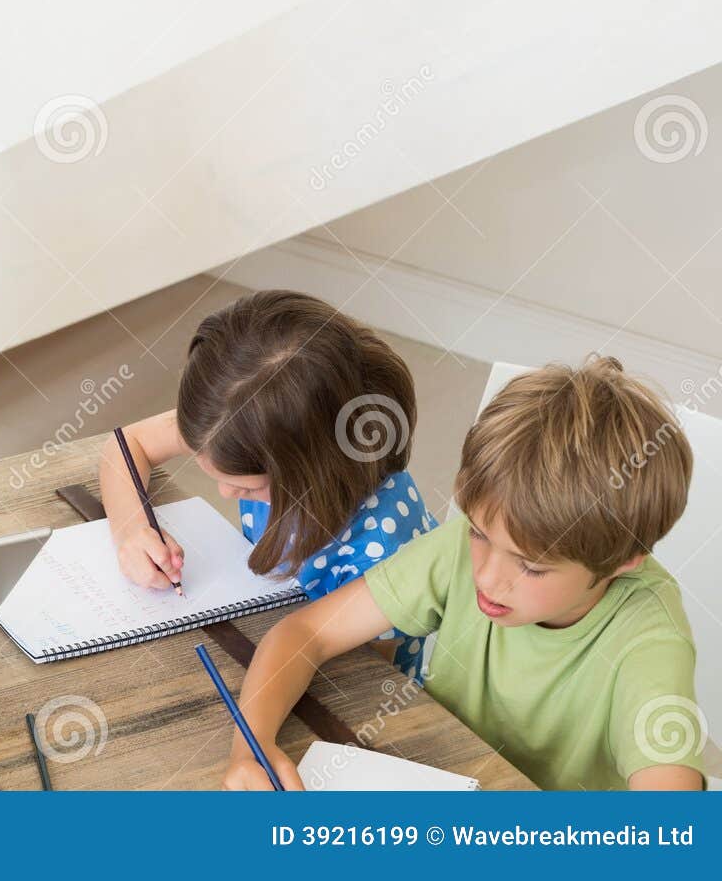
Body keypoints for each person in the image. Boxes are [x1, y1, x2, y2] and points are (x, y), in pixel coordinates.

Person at [222, 357, 703, 791]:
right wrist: (252, 747)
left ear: (622, 562)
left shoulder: (649, 639)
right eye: (477, 533)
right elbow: (306, 631)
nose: (489, 579)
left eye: (531, 567)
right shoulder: (468, 544)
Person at [99, 290, 435, 676]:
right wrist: (132, 529)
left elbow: (362, 685)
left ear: (314, 470)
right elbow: (125, 446)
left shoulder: (380, 554)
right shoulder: (241, 419)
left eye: (247, 489)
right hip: (264, 632)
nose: (226, 494)